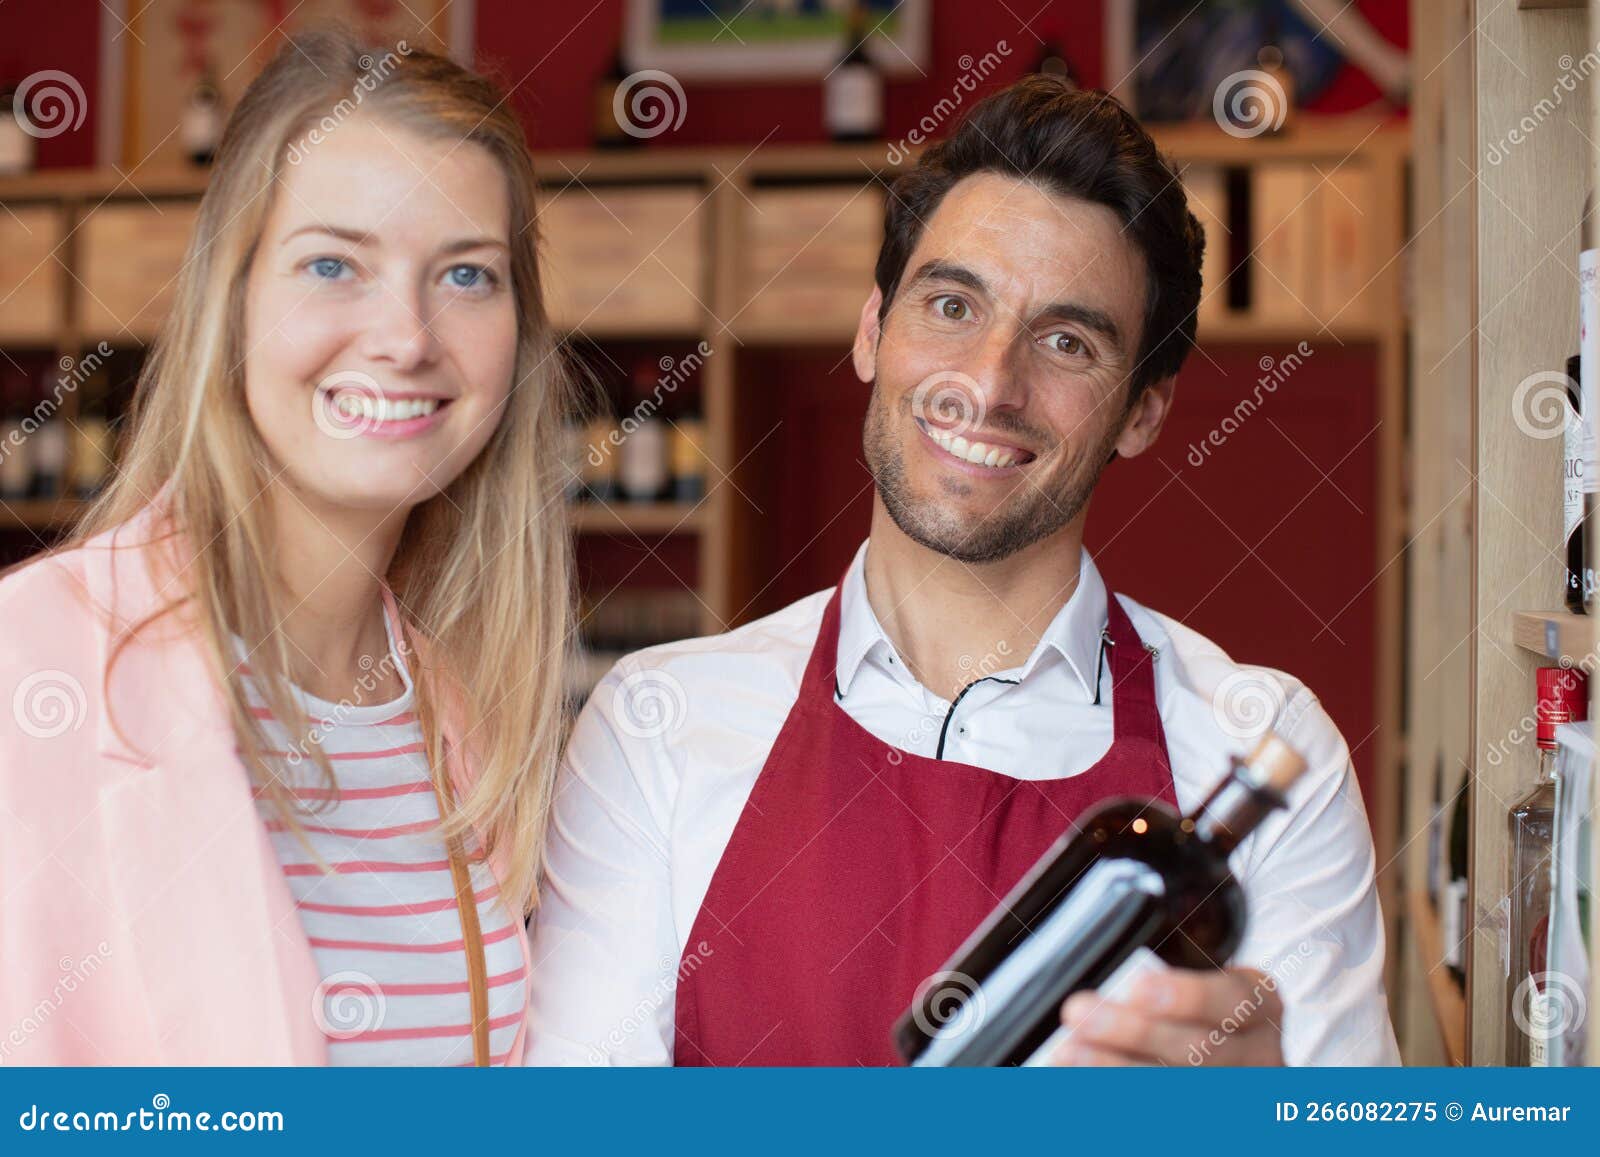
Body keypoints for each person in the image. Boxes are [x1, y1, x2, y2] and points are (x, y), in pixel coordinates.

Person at [528, 76, 1400, 1067]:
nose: (989, 382)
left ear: (1145, 410)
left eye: (1066, 341)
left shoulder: (1260, 746)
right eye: (951, 304)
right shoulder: (659, 728)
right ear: (872, 331)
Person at [0, 28, 575, 1065]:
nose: (406, 335)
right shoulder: (29, 663)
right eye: (332, 263)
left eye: (467, 275)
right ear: (233, 300)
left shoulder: (476, 722)